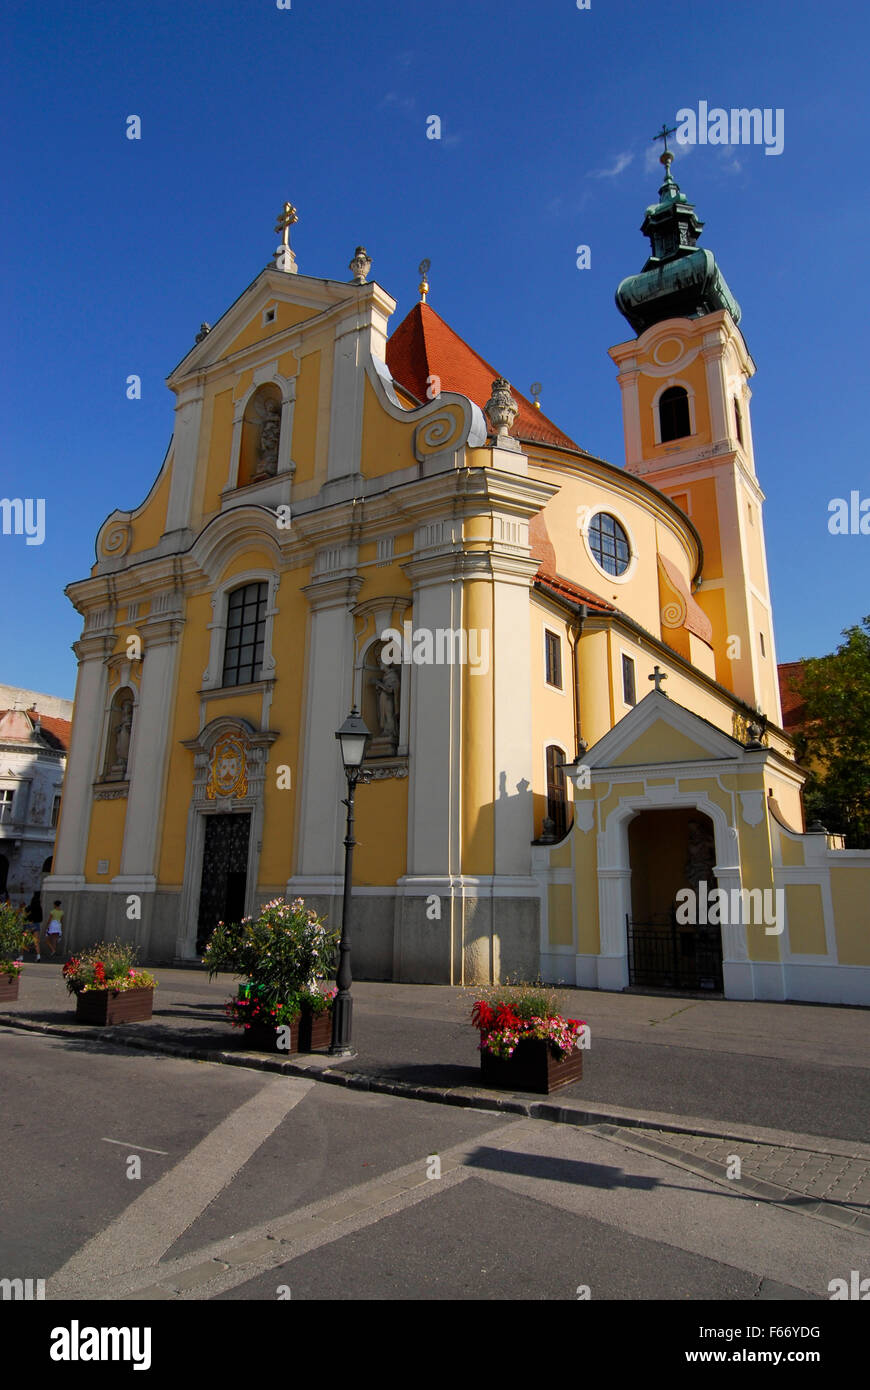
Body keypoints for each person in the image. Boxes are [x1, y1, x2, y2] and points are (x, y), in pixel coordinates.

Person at [27, 890, 43, 960]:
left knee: (24, 940)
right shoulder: (39, 908)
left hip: (30, 924)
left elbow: (27, 916)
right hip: (37, 924)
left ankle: (21, 955)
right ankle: (38, 956)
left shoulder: (30, 907)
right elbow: (41, 919)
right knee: (36, 941)